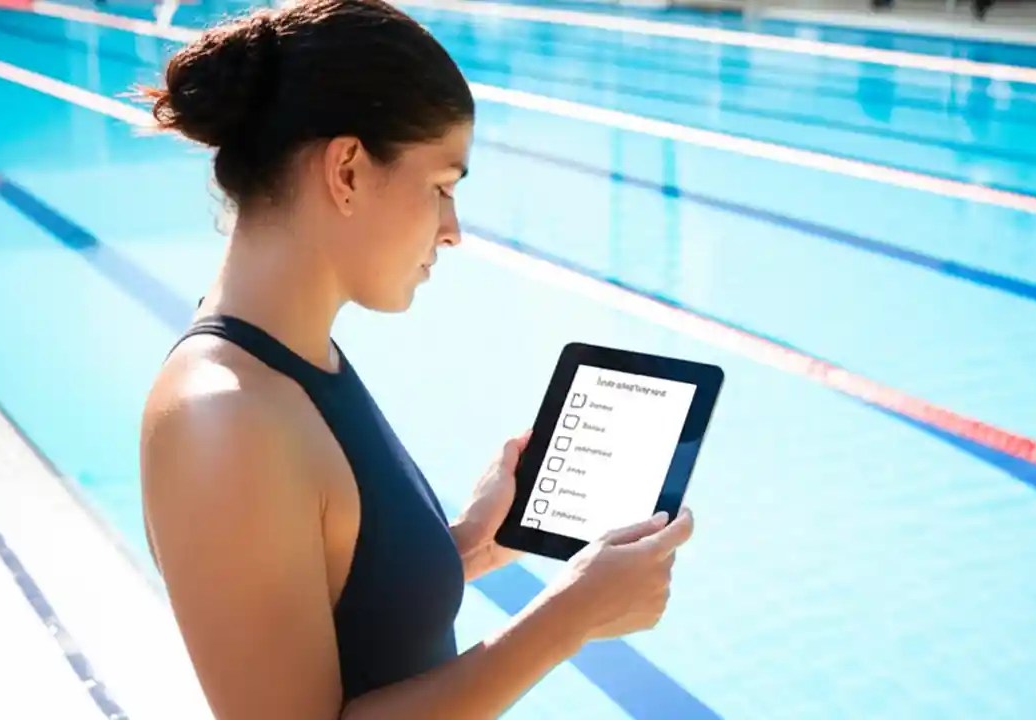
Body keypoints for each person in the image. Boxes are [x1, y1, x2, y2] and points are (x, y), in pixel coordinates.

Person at [137, 0, 696, 718]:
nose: (454, 229)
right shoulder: (223, 417)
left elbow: (345, 611)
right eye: (440, 188)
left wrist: (475, 544)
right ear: (346, 171)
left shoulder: (299, 363)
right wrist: (569, 618)